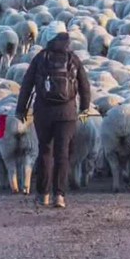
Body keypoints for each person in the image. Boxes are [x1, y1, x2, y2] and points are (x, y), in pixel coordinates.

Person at [16, 23, 91, 209]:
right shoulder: (73, 58)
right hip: (67, 113)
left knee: (45, 151)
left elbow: (27, 84)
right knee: (63, 153)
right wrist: (84, 108)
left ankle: (44, 195)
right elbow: (85, 86)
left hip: (44, 112)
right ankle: (60, 195)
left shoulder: (40, 58)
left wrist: (21, 109)